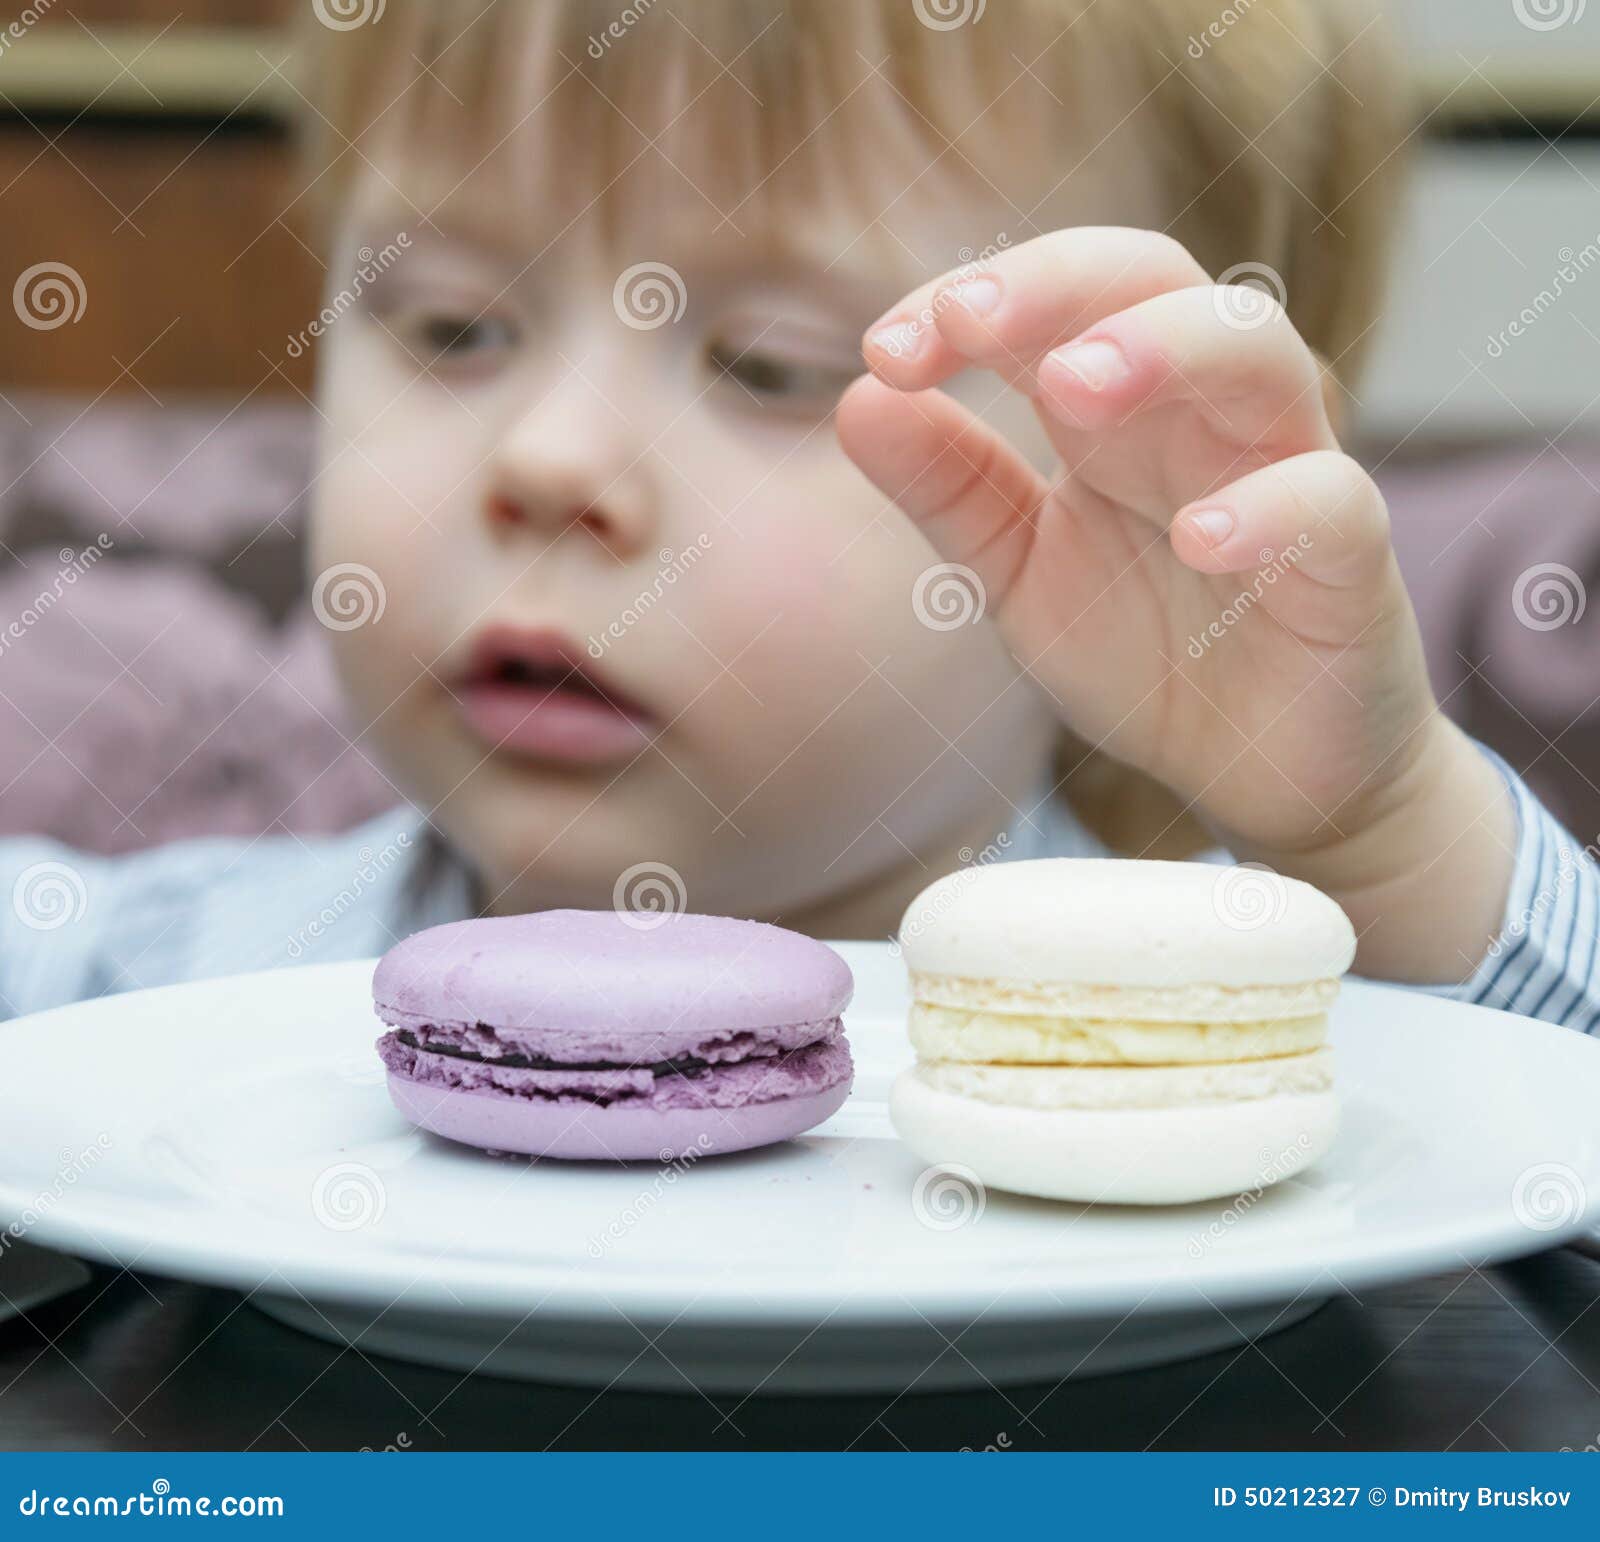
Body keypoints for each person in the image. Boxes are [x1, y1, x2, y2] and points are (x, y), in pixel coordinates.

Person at [2, 0, 1594, 1031]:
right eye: (448, 327)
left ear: (1169, 472)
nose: (549, 459)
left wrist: (1383, 836)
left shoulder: (1231, 1033)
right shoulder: (149, 999)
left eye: (771, 363)